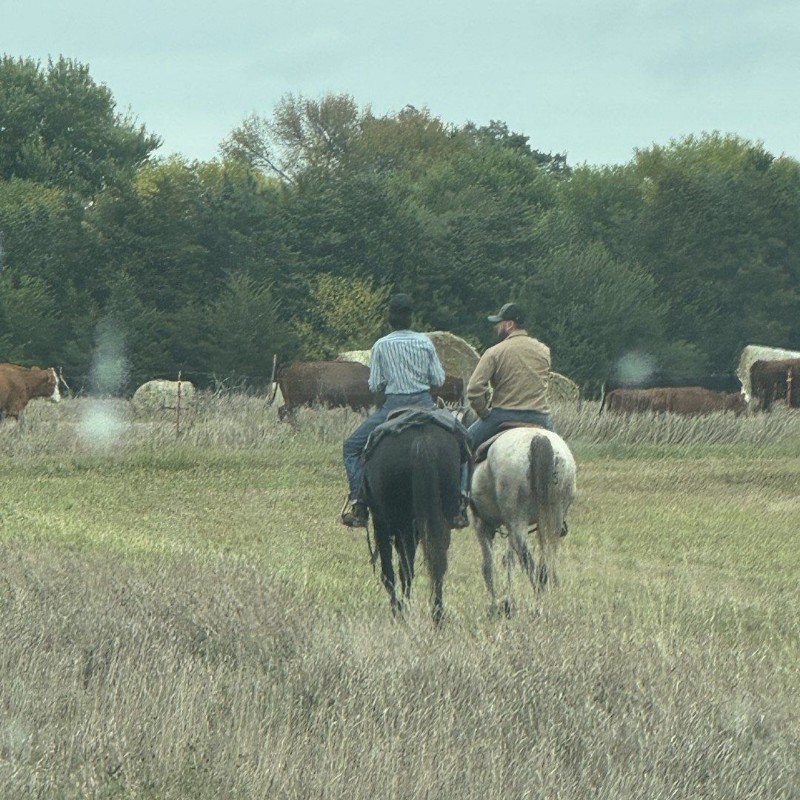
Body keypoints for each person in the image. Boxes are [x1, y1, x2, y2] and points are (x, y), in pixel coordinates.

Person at [341, 293, 469, 528]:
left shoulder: (380, 346)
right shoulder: (425, 343)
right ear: (411, 318)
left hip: (393, 406)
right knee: (464, 443)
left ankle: (359, 503)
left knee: (350, 448)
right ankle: (459, 502)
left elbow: (375, 384)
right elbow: (438, 379)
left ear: (390, 319)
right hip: (425, 404)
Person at [464, 301, 555, 462]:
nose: (496, 328)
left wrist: (484, 413)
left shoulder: (495, 352)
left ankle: (463, 487)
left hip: (503, 415)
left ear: (509, 325)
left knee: (462, 445)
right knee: (559, 454)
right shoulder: (544, 351)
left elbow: (474, 389)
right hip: (539, 417)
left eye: (498, 324)